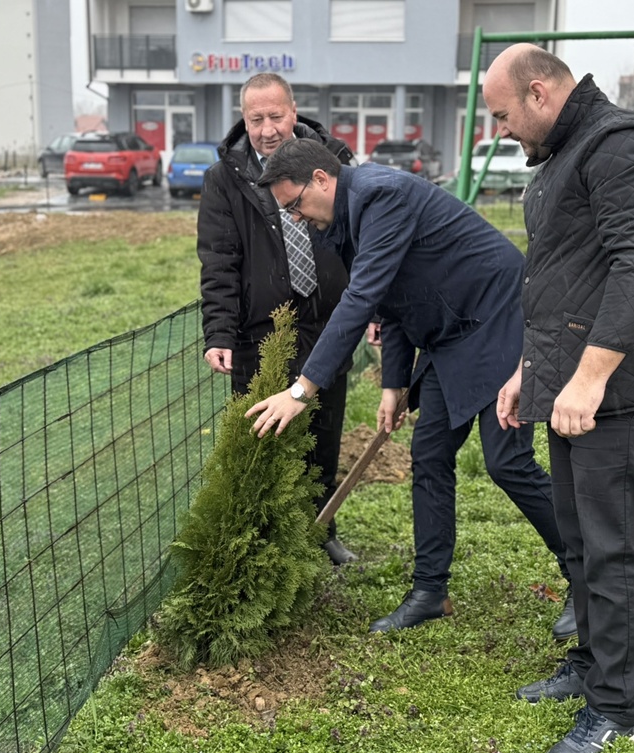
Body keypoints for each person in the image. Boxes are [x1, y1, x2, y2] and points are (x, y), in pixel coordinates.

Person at [245, 138, 573, 640]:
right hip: (450, 335)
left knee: (506, 460)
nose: (293, 218)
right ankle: (429, 591)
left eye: (294, 205)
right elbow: (392, 301)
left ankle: (587, 579)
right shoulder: (342, 219)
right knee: (430, 453)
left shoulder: (381, 195)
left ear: (320, 179)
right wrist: (394, 384)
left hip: (500, 318)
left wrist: (300, 389)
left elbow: (362, 298)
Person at [483, 44, 634, 753]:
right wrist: (525, 372)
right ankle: (592, 663)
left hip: (619, 394)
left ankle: (620, 709)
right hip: (568, 388)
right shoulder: (566, 154)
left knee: (612, 547)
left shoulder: (621, 145)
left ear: (539, 93)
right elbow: (561, 279)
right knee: (577, 539)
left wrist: (594, 376)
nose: (500, 129)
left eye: (503, 114)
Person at [197, 73, 358, 566]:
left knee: (324, 431)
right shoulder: (226, 177)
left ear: (294, 111)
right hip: (259, 332)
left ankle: (321, 528)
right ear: (243, 119)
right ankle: (266, 538)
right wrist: (220, 331)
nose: (266, 129)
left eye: (275, 116)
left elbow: (359, 241)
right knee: (265, 433)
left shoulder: (333, 161)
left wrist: (372, 312)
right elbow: (218, 260)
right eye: (254, 119)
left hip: (328, 320)